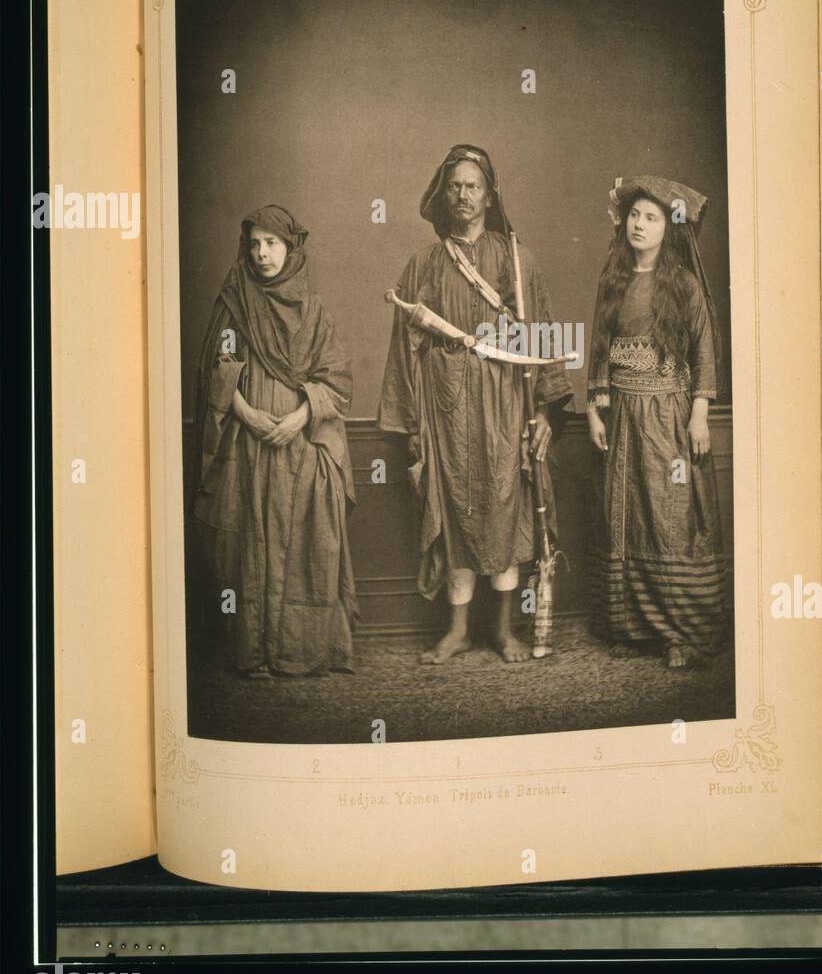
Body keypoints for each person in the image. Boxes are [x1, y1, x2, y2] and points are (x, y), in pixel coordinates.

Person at [378, 145, 572, 664]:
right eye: (454, 186)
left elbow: (544, 336)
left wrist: (545, 413)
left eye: (473, 186)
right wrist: (413, 423)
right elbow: (405, 350)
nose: (463, 195)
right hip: (446, 407)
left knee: (506, 510)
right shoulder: (423, 264)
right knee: (454, 511)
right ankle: (458, 630)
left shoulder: (517, 261)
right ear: (443, 194)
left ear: (490, 195)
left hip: (507, 404)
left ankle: (505, 630)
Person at [191, 205, 358, 678]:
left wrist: (301, 417)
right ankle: (254, 652)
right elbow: (217, 372)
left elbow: (337, 378)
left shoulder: (315, 308)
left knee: (302, 544)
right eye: (255, 244)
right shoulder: (234, 303)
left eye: (272, 243)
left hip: (302, 447)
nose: (262, 253)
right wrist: (246, 414)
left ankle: (299, 651)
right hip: (246, 446)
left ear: (291, 248)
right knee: (249, 543)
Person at [586, 176, 727, 669]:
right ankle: (632, 626)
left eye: (652, 218)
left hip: (669, 415)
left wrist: (700, 413)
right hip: (622, 416)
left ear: (670, 228)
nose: (639, 225)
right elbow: (601, 346)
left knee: (669, 517)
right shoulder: (614, 280)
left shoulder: (683, 285)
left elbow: (705, 351)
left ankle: (680, 633)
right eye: (634, 216)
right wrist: (594, 403)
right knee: (624, 516)